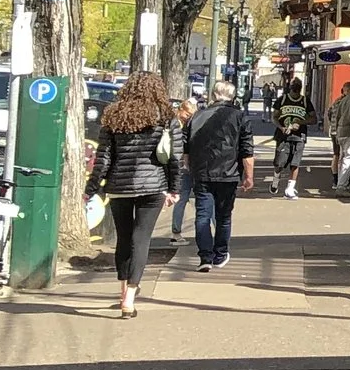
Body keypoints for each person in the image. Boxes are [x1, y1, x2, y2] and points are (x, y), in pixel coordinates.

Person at [93, 72, 177, 317]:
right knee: (142, 239)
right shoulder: (165, 117)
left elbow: (104, 157)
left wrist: (93, 187)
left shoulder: (113, 116)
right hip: (153, 187)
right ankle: (129, 297)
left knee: (124, 238)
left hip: (119, 186)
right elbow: (173, 157)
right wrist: (173, 188)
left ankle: (122, 290)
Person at [184, 80, 255, 273]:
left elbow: (186, 148)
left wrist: (190, 168)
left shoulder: (197, 116)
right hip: (228, 173)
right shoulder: (240, 117)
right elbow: (247, 150)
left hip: (202, 173)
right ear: (232, 96)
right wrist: (249, 176)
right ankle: (220, 253)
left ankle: (205, 256)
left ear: (214, 95)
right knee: (223, 216)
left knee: (202, 216)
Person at [271, 79, 312, 198]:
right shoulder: (282, 100)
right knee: (279, 163)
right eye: (294, 87)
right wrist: (281, 127)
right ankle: (275, 181)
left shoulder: (305, 101)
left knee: (295, 163)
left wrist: (301, 122)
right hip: (283, 136)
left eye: (297, 87)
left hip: (299, 136)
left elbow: (314, 118)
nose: (295, 89)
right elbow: (274, 117)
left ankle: (290, 189)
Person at [165, 96, 197, 239]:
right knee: (184, 198)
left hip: (181, 166)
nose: (188, 118)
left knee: (182, 198)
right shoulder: (176, 125)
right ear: (180, 110)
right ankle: (176, 232)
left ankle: (176, 232)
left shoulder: (178, 124)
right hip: (182, 167)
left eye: (191, 116)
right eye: (187, 115)